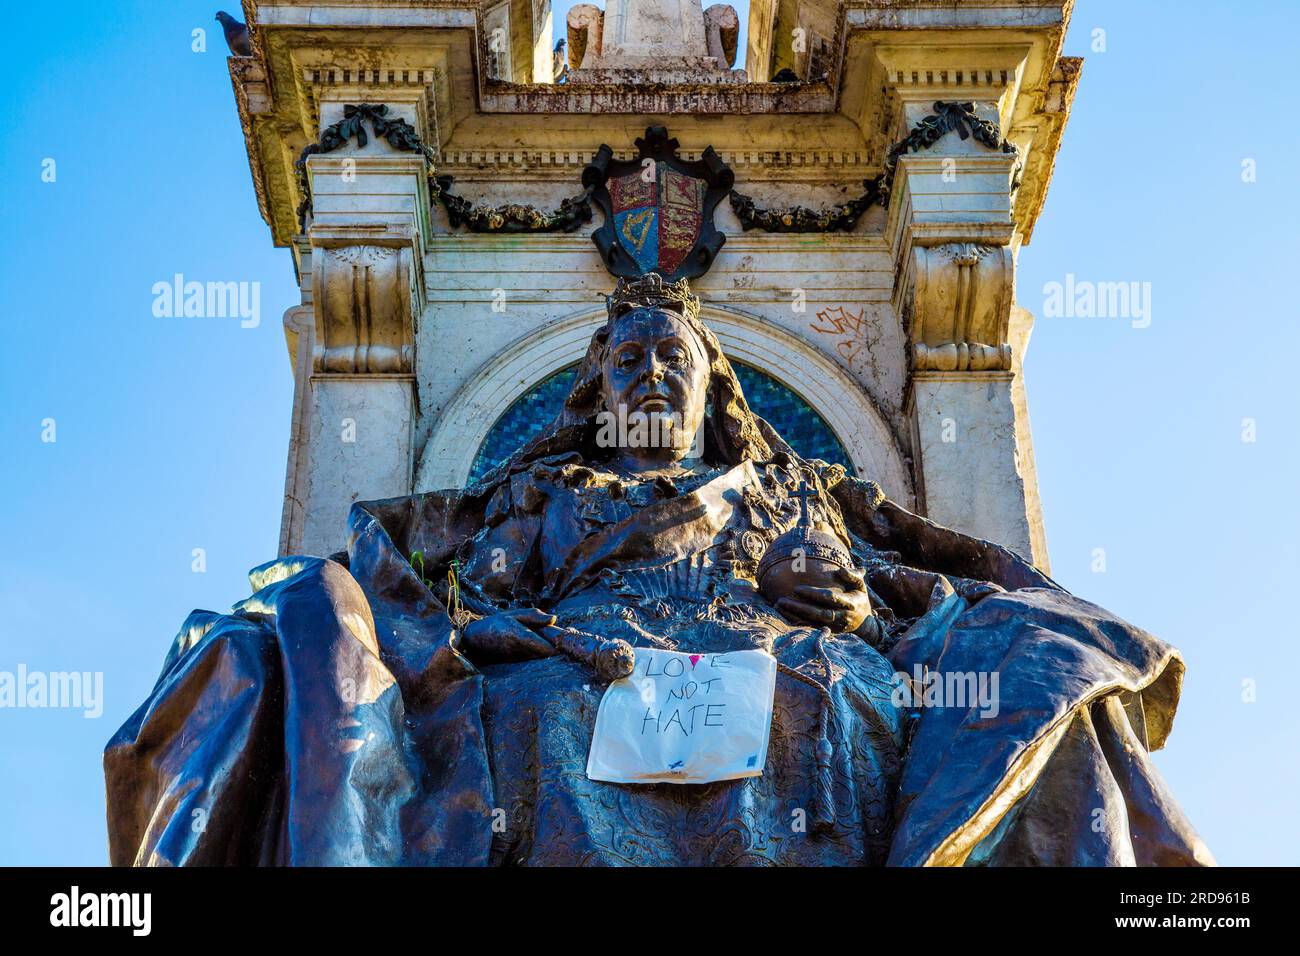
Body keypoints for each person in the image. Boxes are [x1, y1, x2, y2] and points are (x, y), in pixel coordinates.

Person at [105, 274, 1213, 866]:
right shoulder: (536, 494)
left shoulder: (793, 491)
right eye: (626, 359)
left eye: (669, 361)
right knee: (531, 709)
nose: (648, 376)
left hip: (782, 661)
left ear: (705, 389)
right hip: (574, 666)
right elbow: (463, 599)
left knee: (822, 692)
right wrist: (509, 628)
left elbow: (913, 586)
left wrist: (850, 593)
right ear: (593, 388)